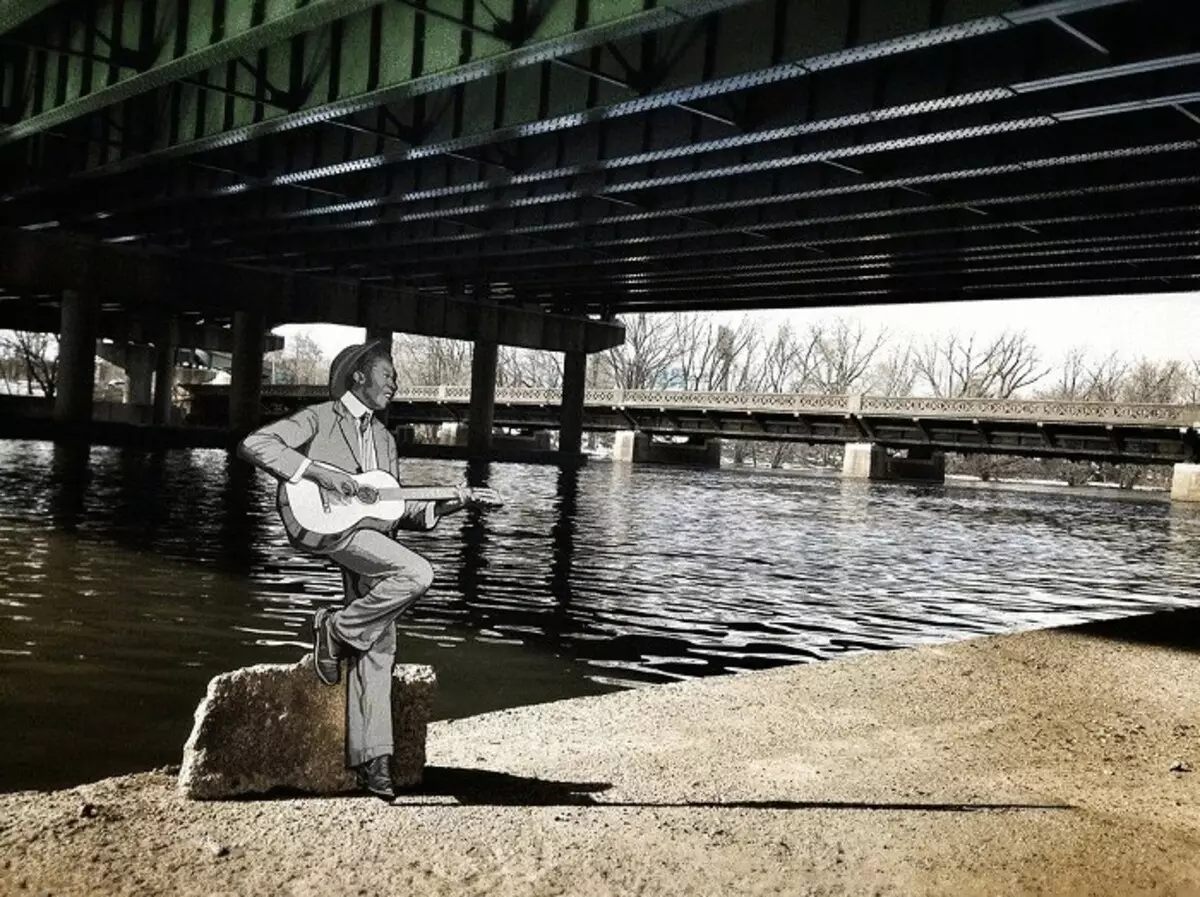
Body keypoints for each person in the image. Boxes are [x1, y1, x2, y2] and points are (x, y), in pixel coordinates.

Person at [237, 339, 497, 800]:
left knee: (379, 645)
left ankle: (374, 763)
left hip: (370, 537)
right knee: (417, 574)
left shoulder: (384, 439)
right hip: (324, 527)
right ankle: (335, 629)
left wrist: (452, 503)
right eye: (388, 373)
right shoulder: (319, 418)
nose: (395, 382)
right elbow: (256, 443)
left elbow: (390, 506)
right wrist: (315, 471)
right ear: (360, 375)